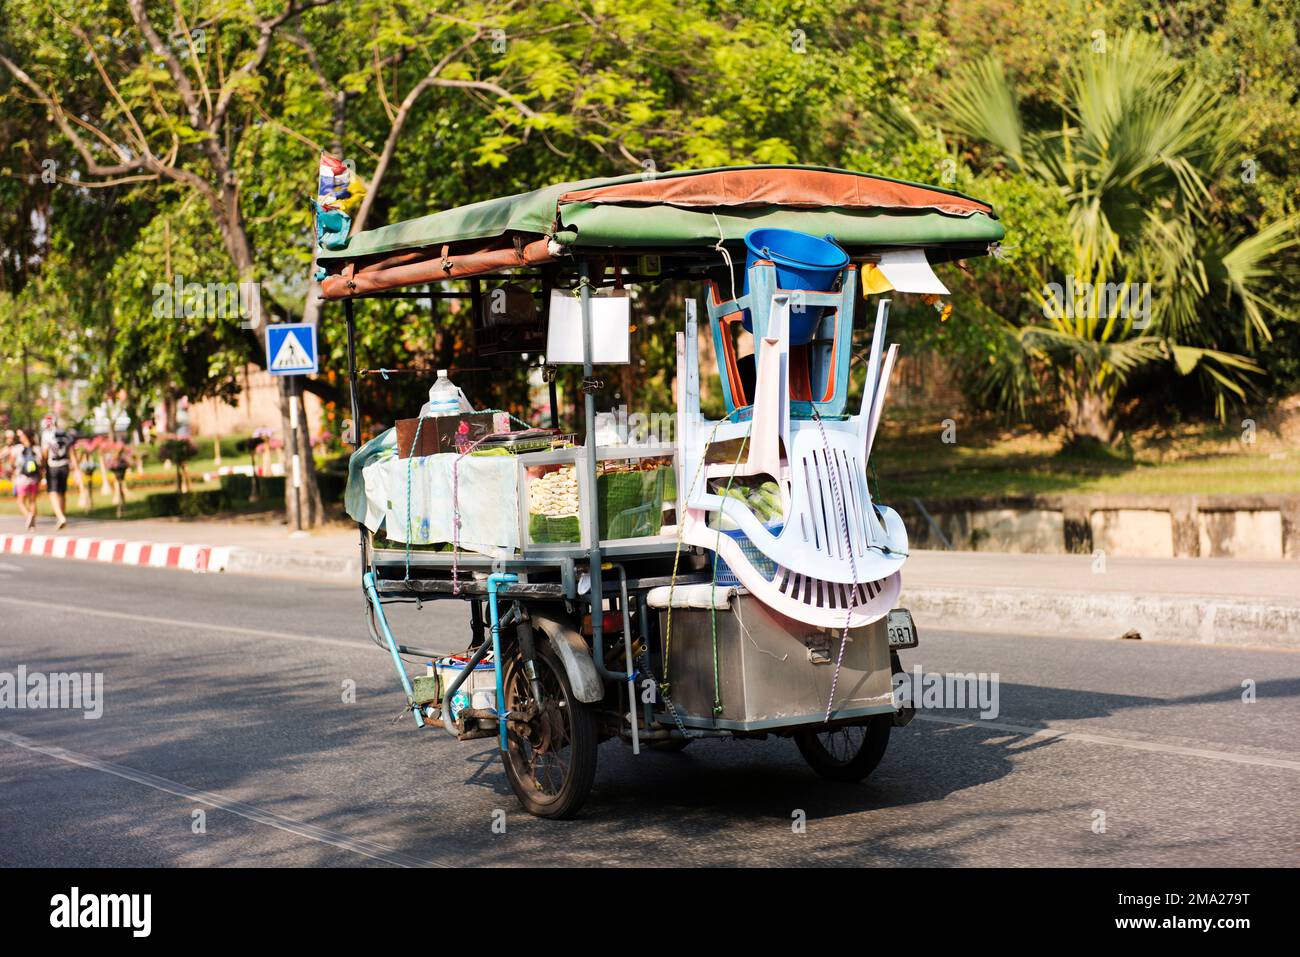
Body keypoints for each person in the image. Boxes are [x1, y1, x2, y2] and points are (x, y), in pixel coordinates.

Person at [42, 422, 75, 530]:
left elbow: (45, 452)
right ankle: (62, 516)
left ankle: (60, 517)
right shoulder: (66, 434)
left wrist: (43, 465)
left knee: (53, 492)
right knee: (62, 492)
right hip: (65, 465)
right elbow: (71, 451)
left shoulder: (46, 435)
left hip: (53, 466)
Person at [10, 428, 42, 530]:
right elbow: (41, 463)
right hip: (34, 479)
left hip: (22, 478)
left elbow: (12, 462)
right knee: (32, 501)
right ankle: (33, 525)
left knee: (20, 501)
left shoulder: (17, 448)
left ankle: (28, 516)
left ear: (25, 436)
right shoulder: (36, 449)